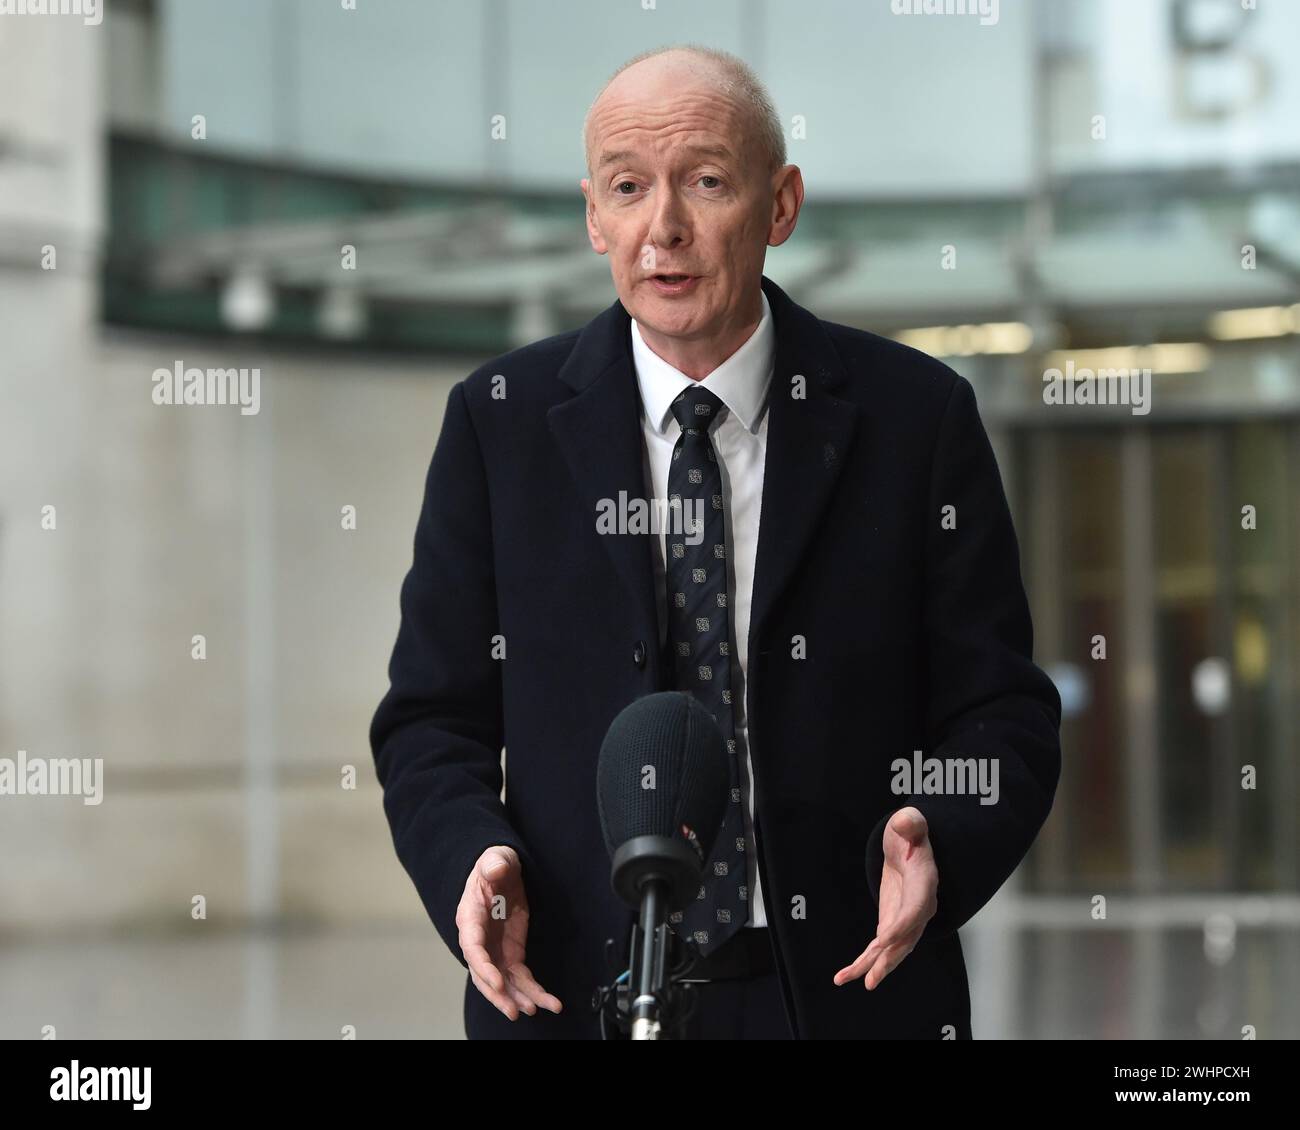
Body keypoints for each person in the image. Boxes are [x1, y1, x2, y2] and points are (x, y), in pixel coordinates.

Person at [369, 43, 1061, 1040]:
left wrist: (939, 833)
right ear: (592, 216)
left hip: (847, 991)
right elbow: (431, 719)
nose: (665, 229)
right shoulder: (497, 423)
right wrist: (471, 852)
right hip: (572, 993)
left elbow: (1001, 710)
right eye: (627, 187)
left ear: (780, 205)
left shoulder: (917, 419)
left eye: (705, 181)